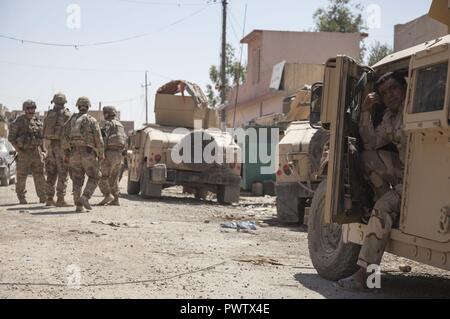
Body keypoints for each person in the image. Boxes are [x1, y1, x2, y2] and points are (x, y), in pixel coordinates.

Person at [337, 71, 407, 290]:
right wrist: (366, 112)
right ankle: (388, 202)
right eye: (384, 93)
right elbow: (370, 143)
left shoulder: (414, 108)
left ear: (405, 87)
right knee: (365, 158)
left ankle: (366, 276)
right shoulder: (389, 116)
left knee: (382, 207)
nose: (390, 95)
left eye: (394, 88)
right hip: (405, 172)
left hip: (422, 179)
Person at [62, 97, 104, 212]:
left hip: (73, 152)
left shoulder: (70, 120)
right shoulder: (92, 120)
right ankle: (85, 197)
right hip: (88, 152)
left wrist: (66, 154)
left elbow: (64, 138)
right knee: (95, 176)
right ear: (88, 106)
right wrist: (101, 153)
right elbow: (99, 139)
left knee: (77, 179)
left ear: (78, 106)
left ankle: (78, 206)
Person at [8, 100, 47, 204]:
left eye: (33, 108)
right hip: (23, 152)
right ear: (25, 110)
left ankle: (43, 196)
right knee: (21, 176)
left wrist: (43, 151)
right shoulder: (18, 121)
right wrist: (18, 150)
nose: (31, 111)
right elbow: (11, 138)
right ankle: (21, 197)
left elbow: (41, 138)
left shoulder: (37, 121)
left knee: (40, 175)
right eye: (29, 108)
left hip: (36, 152)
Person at [43, 92, 72, 207]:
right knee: (63, 173)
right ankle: (60, 199)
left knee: (51, 173)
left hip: (50, 146)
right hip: (62, 148)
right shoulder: (67, 114)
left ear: (54, 102)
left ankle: (49, 199)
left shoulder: (49, 114)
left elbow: (43, 131)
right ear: (64, 102)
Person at [97, 106, 127, 206]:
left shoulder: (109, 123)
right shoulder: (120, 125)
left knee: (102, 177)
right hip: (119, 154)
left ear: (107, 114)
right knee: (114, 177)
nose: (104, 115)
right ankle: (116, 199)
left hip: (109, 153)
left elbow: (104, 139)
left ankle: (107, 195)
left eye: (104, 113)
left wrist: (101, 153)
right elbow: (125, 139)